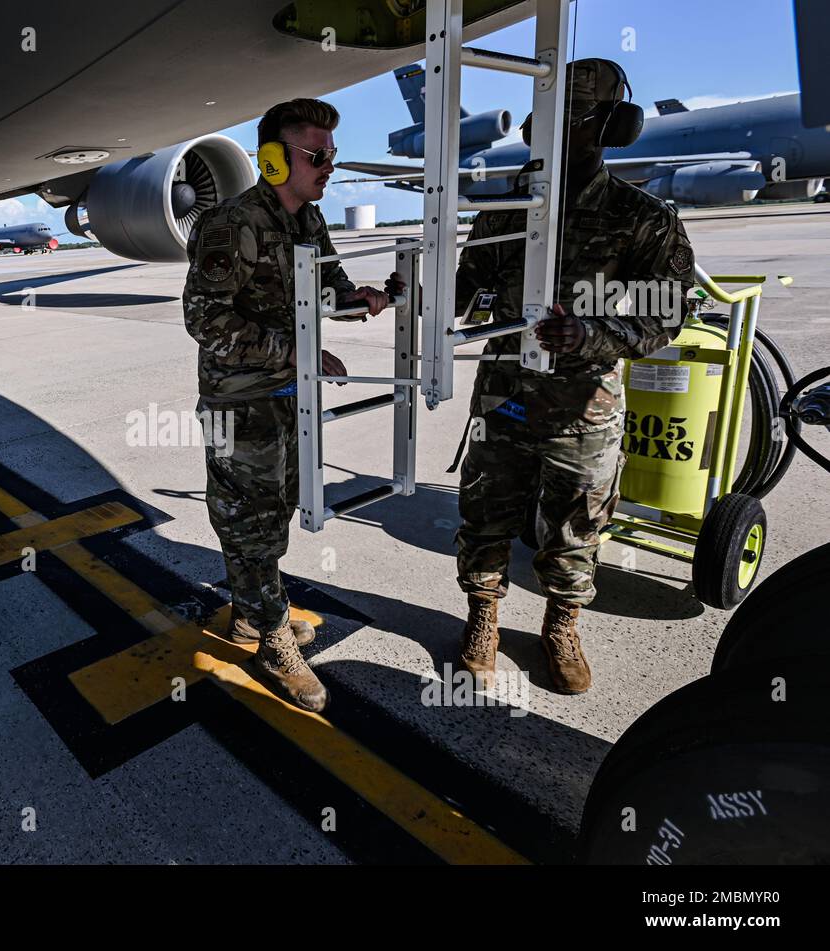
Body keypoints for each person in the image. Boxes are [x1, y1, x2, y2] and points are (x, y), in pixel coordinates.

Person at [449, 58, 695, 694]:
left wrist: (594, 335)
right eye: (545, 120)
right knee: (485, 514)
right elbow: (464, 288)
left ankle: (561, 625)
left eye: (571, 120)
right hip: (502, 395)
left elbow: (665, 315)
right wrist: (410, 302)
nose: (550, 134)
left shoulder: (642, 217)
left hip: (583, 406)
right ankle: (483, 620)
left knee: (577, 525)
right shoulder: (506, 211)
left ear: (611, 127)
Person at [183, 98, 389, 712]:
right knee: (249, 523)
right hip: (240, 404)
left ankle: (251, 616)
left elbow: (333, 291)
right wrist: (292, 352)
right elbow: (204, 318)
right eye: (317, 156)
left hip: (286, 397)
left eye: (332, 156)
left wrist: (373, 298)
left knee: (275, 515)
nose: (328, 166)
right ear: (274, 160)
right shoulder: (232, 223)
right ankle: (273, 641)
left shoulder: (309, 221)